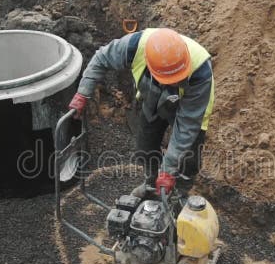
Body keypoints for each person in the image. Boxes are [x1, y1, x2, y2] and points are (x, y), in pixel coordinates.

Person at [68, 27, 214, 199]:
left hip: (190, 105)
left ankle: (179, 192)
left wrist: (168, 170)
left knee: (188, 156)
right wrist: (83, 93)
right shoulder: (133, 47)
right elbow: (101, 59)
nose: (175, 81)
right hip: (152, 96)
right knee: (145, 147)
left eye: (178, 78)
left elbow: (186, 127)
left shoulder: (200, 72)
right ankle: (151, 185)